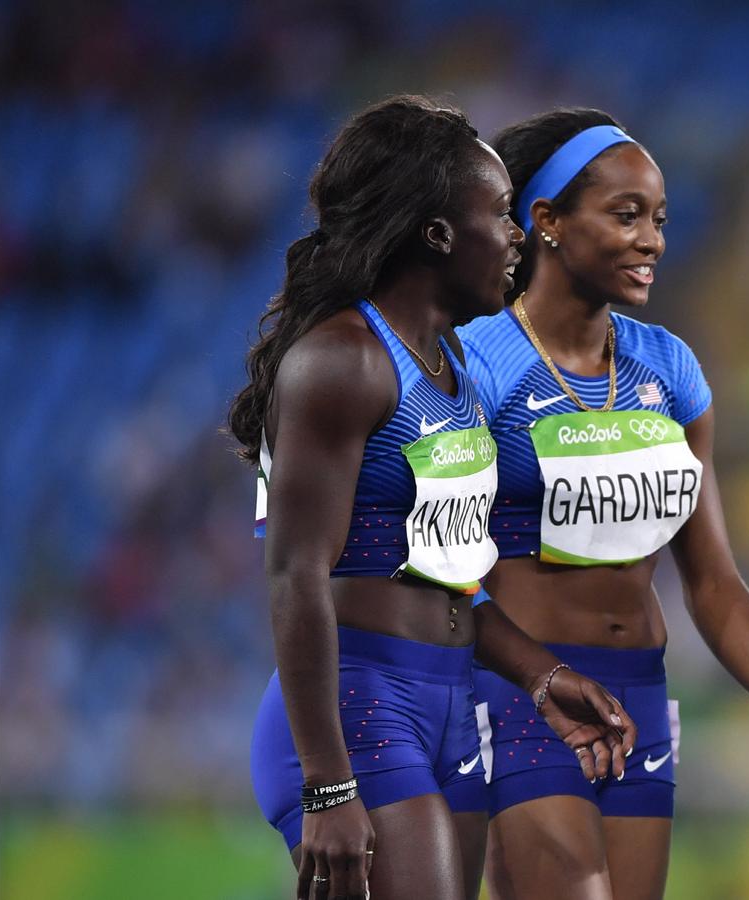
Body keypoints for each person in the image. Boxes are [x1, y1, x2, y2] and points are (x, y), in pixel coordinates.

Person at [230, 95, 635, 900]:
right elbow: (296, 574)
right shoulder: (343, 361)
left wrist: (541, 675)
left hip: (451, 708)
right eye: (500, 213)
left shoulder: (453, 369)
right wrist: (328, 783)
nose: (519, 234)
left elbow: (445, 575)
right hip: (359, 711)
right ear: (439, 233)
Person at [456, 108, 749, 900]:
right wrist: (527, 675)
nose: (652, 240)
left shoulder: (669, 370)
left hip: (637, 695)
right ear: (549, 223)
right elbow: (434, 566)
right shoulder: (476, 364)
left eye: (659, 220)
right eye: (625, 215)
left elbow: (711, 578)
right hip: (523, 691)